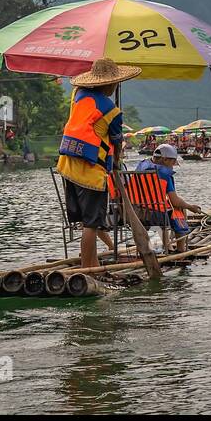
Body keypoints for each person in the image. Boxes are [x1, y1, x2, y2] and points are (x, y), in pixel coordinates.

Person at [56, 57, 140, 268]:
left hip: (68, 164)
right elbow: (116, 141)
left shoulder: (78, 95)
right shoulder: (111, 111)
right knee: (91, 224)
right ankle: (89, 268)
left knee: (85, 222)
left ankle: (90, 262)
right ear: (111, 83)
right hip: (90, 172)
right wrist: (117, 157)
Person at [134, 145, 202, 253]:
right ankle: (180, 249)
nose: (173, 166)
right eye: (173, 162)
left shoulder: (140, 167)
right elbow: (175, 200)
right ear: (165, 159)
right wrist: (190, 207)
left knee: (167, 209)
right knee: (179, 209)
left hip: (136, 212)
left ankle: (163, 247)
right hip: (155, 215)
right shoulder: (165, 174)